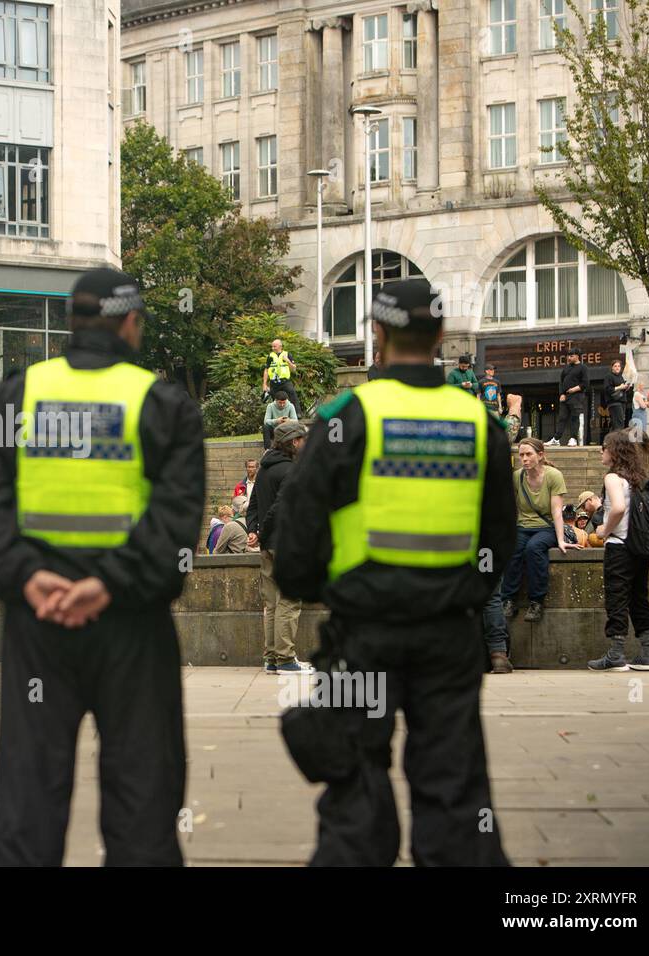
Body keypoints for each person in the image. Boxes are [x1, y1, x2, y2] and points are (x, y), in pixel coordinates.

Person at [0, 266, 205, 867]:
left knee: (27, 800)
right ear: (130, 322)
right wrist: (110, 583)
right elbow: (175, 523)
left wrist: (25, 576)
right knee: (143, 804)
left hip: (39, 626)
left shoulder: (15, 396)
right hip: (132, 627)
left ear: (72, 324)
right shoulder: (163, 403)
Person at [271, 278, 514, 866]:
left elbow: (296, 534)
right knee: (455, 791)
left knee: (355, 790)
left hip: (364, 633)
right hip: (448, 634)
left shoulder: (344, 418)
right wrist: (465, 593)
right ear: (438, 335)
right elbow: (499, 538)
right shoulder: (479, 424)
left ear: (376, 336)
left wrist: (325, 591)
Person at [589, 430, 649, 672]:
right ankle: (646, 656)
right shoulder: (638, 477)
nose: (601, 452)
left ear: (615, 452)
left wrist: (603, 530)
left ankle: (616, 655)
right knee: (640, 597)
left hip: (619, 546)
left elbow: (617, 508)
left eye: (604, 447)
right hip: (640, 546)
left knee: (617, 598)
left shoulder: (613, 478)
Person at [254, 419, 308, 672]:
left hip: (267, 546)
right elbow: (280, 506)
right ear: (294, 442)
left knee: (272, 603)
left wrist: (256, 531)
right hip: (284, 542)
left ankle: (271, 658)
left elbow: (253, 504)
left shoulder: (264, 468)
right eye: (302, 440)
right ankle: (286, 658)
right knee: (289, 599)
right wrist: (265, 529)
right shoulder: (290, 470)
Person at [501, 437, 574, 621]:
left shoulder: (553, 475)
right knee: (514, 548)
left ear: (540, 455)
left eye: (528, 454)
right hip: (523, 525)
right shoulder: (517, 476)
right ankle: (508, 599)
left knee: (534, 548)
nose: (524, 459)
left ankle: (537, 602)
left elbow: (557, 511)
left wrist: (560, 540)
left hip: (546, 527)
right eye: (521, 455)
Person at [546, 347, 589, 446]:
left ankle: (573, 438)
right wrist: (562, 394)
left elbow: (585, 383)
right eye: (568, 356)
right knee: (562, 417)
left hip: (577, 396)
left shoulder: (583, 368)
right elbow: (561, 382)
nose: (569, 358)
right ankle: (556, 439)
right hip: (565, 397)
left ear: (577, 356)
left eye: (571, 356)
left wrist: (574, 389)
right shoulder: (566, 368)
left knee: (575, 417)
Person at [262, 337, 299, 411]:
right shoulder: (270, 356)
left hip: (285, 381)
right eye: (272, 346)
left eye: (274, 346)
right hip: (274, 382)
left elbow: (294, 369)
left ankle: (297, 414)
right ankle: (277, 416)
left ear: (280, 346)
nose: (273, 348)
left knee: (292, 395)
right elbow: (266, 370)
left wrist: (288, 361)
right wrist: (264, 384)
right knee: (275, 401)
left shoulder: (287, 354)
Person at [603, 358, 632, 436]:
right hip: (614, 402)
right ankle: (618, 442)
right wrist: (620, 387)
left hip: (622, 401)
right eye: (615, 366)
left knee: (616, 423)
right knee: (618, 423)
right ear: (612, 367)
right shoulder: (609, 376)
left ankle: (609, 442)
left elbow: (622, 389)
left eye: (619, 366)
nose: (617, 368)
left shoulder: (621, 377)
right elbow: (607, 389)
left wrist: (626, 387)